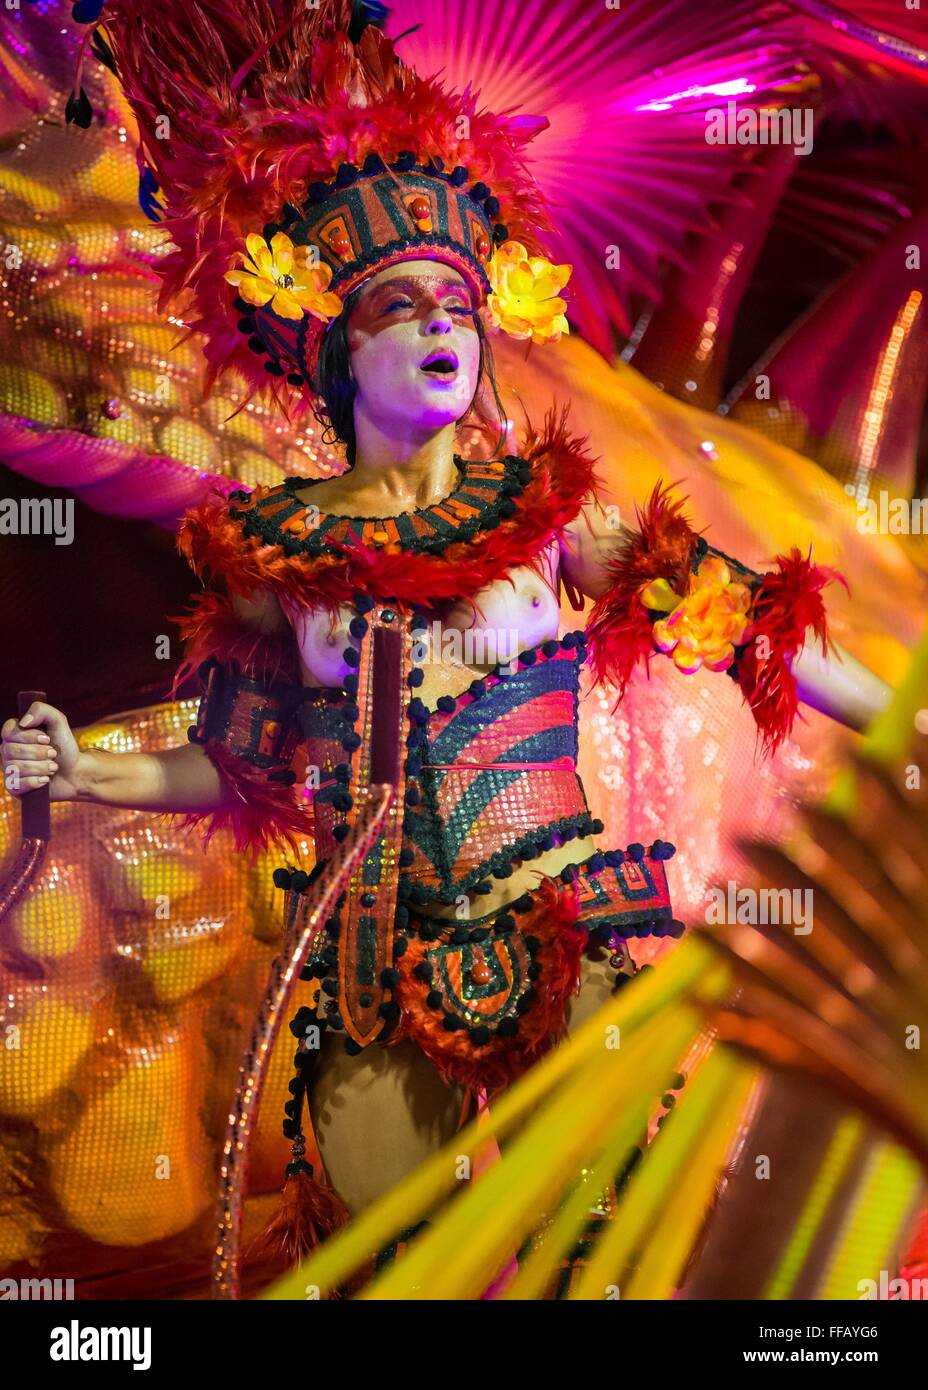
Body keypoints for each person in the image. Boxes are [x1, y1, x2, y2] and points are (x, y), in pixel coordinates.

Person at [0, 1, 889, 1250]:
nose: (439, 327)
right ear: (331, 356)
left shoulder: (547, 515)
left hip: (566, 941)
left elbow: (749, 620)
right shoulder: (278, 558)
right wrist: (83, 766)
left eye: (457, 309)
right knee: (403, 1252)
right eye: (400, 307)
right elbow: (251, 766)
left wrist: (905, 713)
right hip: (367, 974)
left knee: (600, 1248)